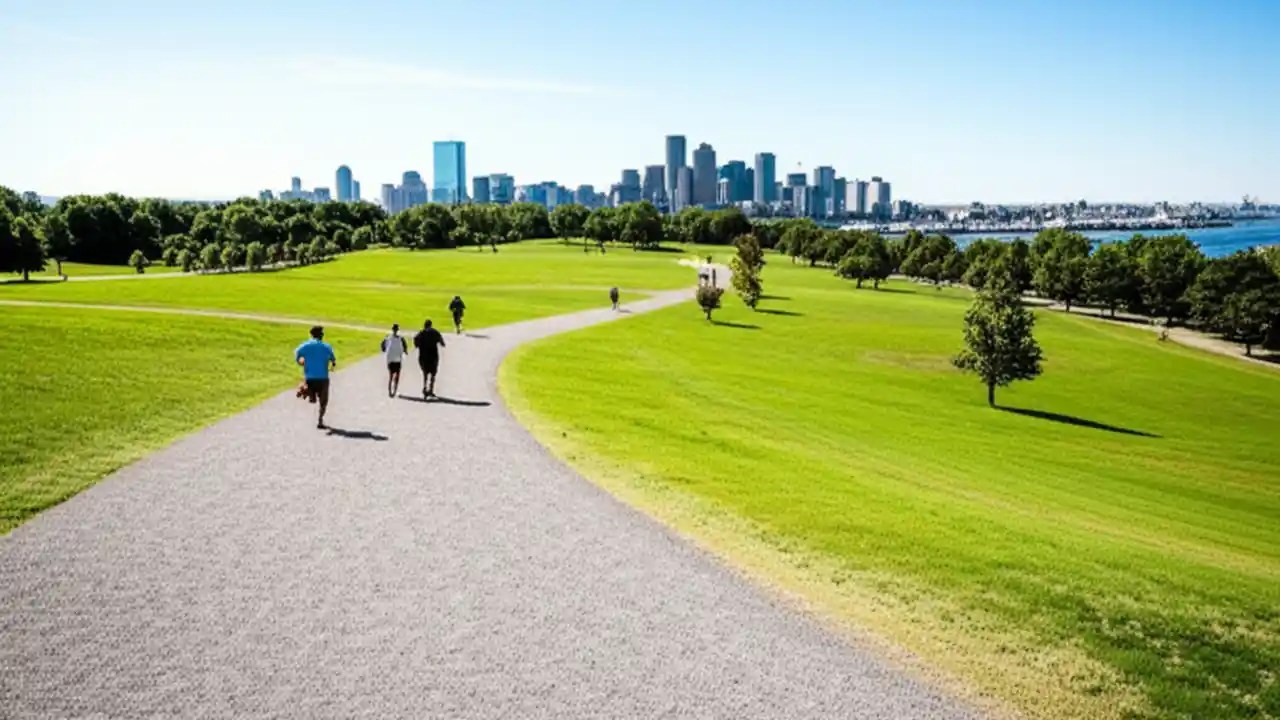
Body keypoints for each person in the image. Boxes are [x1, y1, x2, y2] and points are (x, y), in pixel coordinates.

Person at [295, 325, 336, 429]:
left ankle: (306, 391)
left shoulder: (305, 345)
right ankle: (320, 419)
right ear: (321, 335)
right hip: (323, 377)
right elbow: (333, 360)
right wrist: (332, 366)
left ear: (311, 335)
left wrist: (301, 362)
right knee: (323, 401)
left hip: (310, 377)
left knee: (312, 396)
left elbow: (297, 355)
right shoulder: (326, 347)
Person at [413, 319, 447, 398]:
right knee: (433, 374)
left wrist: (418, 345)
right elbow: (442, 343)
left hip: (423, 356)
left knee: (425, 373)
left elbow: (415, 341)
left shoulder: (421, 333)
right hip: (433, 356)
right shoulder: (435, 333)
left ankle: (425, 388)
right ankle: (431, 390)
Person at [381, 323, 408, 398]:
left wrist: (384, 350)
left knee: (391, 375)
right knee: (397, 375)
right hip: (397, 359)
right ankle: (394, 390)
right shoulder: (400, 338)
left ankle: (390, 391)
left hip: (390, 359)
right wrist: (405, 351)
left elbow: (382, 346)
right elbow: (405, 346)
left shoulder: (388, 337)